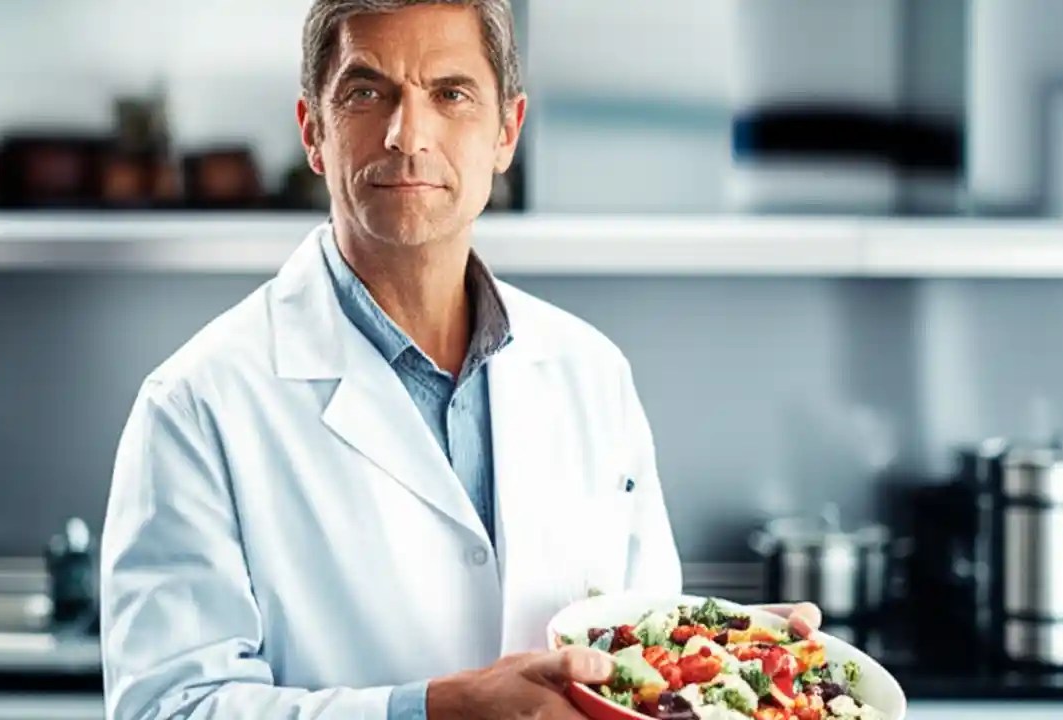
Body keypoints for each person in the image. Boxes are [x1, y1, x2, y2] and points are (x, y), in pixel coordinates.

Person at [100, 2, 821, 718]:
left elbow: (636, 652)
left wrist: (736, 661)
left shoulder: (590, 373)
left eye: (450, 94)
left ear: (506, 130)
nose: (407, 134)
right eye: (365, 92)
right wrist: (437, 709)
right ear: (313, 132)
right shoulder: (196, 404)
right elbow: (168, 708)